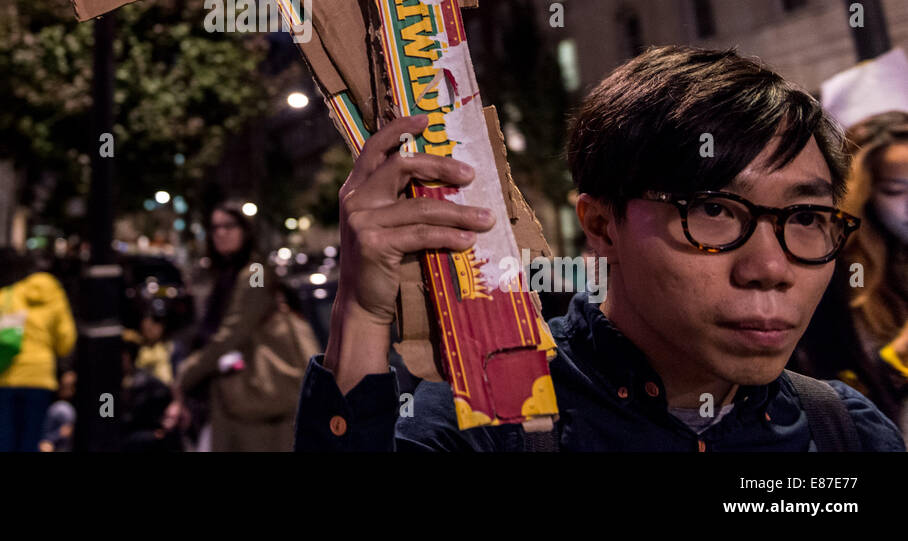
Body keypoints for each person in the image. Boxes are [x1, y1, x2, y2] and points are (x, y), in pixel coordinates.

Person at [296, 46, 906, 451]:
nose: (770, 269)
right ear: (600, 222)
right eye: (715, 211)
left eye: (804, 217)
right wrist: (363, 313)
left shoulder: (843, 432)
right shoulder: (489, 426)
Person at [790, 111, 908, 435]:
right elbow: (828, 397)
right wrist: (897, 358)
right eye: (897, 191)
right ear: (865, 192)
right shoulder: (838, 270)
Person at [0, 263, 76, 452]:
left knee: (5, 439)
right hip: (40, 377)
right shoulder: (57, 298)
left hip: (6, 374)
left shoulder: (8, 294)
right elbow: (66, 343)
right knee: (31, 438)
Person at [39, 369, 77, 452]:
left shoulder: (64, 408)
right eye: (65, 386)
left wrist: (49, 441)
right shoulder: (49, 403)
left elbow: (66, 431)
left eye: (70, 386)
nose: (67, 389)